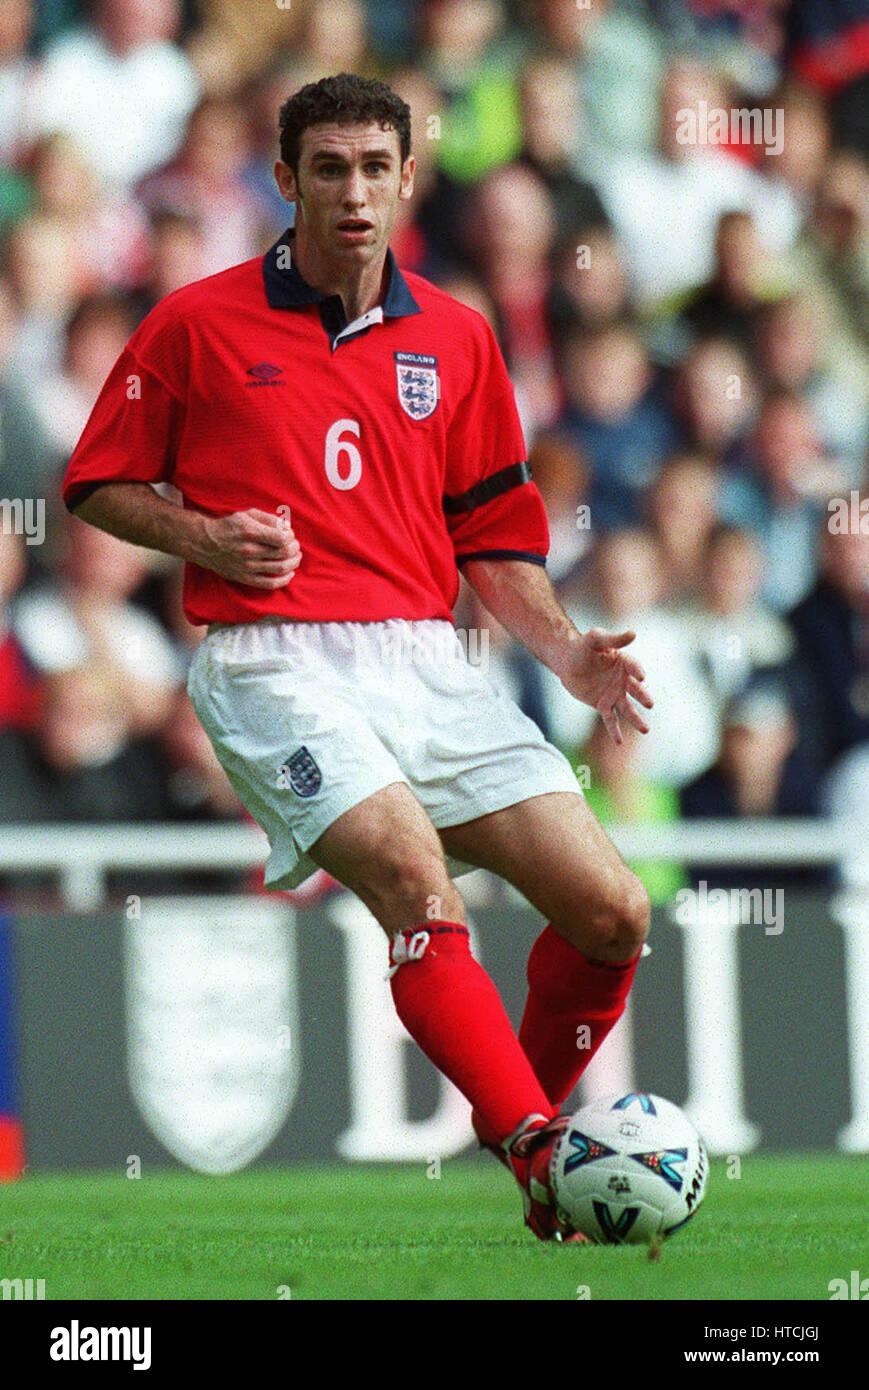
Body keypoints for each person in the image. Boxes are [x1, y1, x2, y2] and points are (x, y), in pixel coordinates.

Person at [61, 73, 653, 1243]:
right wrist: (202, 532)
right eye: (327, 168)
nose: (353, 192)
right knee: (411, 881)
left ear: (406, 180)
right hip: (270, 661)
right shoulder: (195, 323)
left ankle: (530, 1139)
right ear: (283, 181)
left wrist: (567, 650)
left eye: (375, 168)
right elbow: (95, 484)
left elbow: (490, 538)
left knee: (613, 912)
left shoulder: (460, 337)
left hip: (424, 663)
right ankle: (539, 1150)